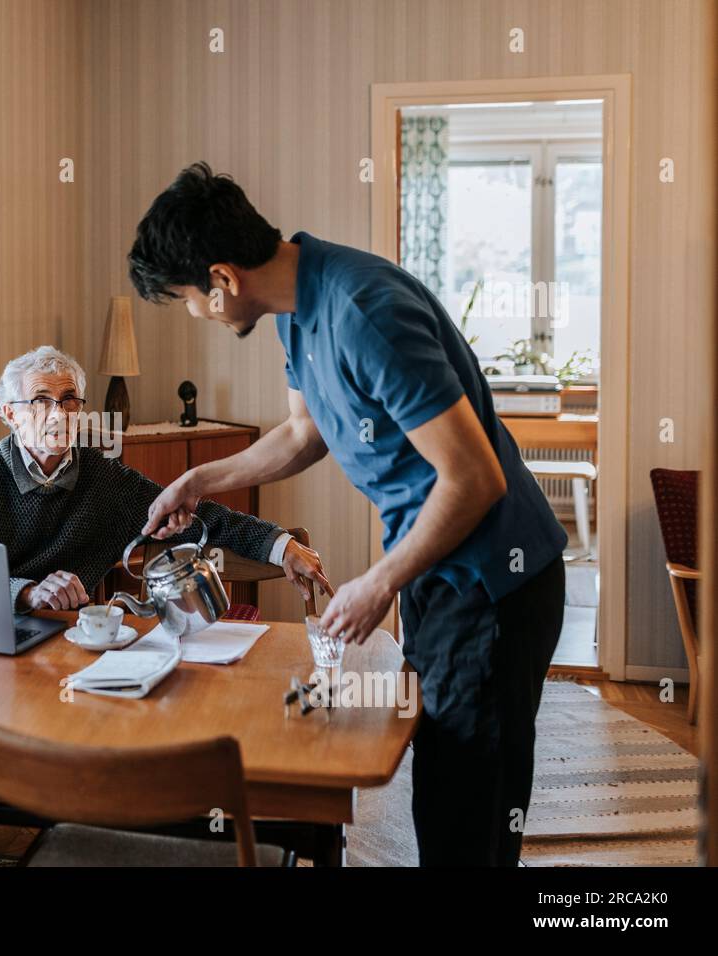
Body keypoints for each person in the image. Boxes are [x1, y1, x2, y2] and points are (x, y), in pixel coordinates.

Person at [129, 163, 567, 866]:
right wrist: (197, 481)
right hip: (442, 569)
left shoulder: (365, 312)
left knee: (466, 805)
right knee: (448, 787)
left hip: (493, 584)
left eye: (187, 298)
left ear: (223, 278)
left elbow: (474, 477)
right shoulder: (296, 307)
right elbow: (305, 434)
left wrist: (378, 582)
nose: (194, 314)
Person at [0, 345, 332, 610]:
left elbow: (198, 516)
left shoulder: (103, 478)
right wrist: (27, 592)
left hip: (74, 638)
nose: (59, 413)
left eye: (69, 399)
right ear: (10, 413)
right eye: (40, 400)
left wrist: (282, 545)